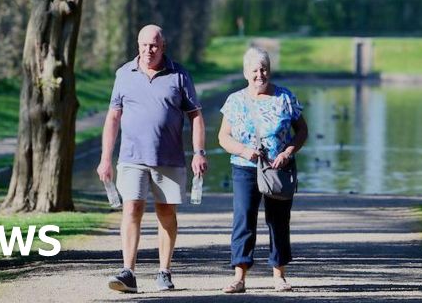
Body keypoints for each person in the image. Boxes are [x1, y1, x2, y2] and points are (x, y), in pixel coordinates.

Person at [97, 24, 208, 293]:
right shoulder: (124, 74)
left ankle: (164, 271)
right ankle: (128, 272)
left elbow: (195, 116)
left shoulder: (179, 75)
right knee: (131, 208)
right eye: (145, 45)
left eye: (154, 45)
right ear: (138, 45)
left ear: (163, 47)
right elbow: (113, 117)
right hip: (132, 157)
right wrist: (105, 158)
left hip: (169, 157)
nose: (149, 50)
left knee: (166, 212)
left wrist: (199, 152)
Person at [217, 46, 308, 293]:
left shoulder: (285, 97)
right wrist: (244, 151)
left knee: (278, 221)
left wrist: (288, 152)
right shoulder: (234, 101)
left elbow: (302, 131)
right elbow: (223, 137)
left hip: (277, 169)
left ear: (270, 71)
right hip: (244, 168)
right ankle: (239, 276)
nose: (260, 75)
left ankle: (279, 275)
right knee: (244, 219)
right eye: (255, 70)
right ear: (246, 73)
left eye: (264, 69)